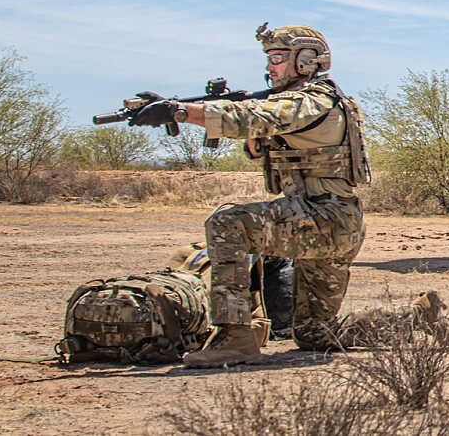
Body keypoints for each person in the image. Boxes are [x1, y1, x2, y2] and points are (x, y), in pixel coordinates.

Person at [130, 22, 370, 366]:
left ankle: (235, 336)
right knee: (315, 333)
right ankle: (415, 321)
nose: (270, 66)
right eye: (269, 58)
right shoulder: (305, 100)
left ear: (305, 59)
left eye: (277, 57)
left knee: (228, 223)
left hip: (326, 219)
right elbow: (259, 139)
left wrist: (180, 111)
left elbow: (253, 117)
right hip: (330, 222)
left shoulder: (311, 99)